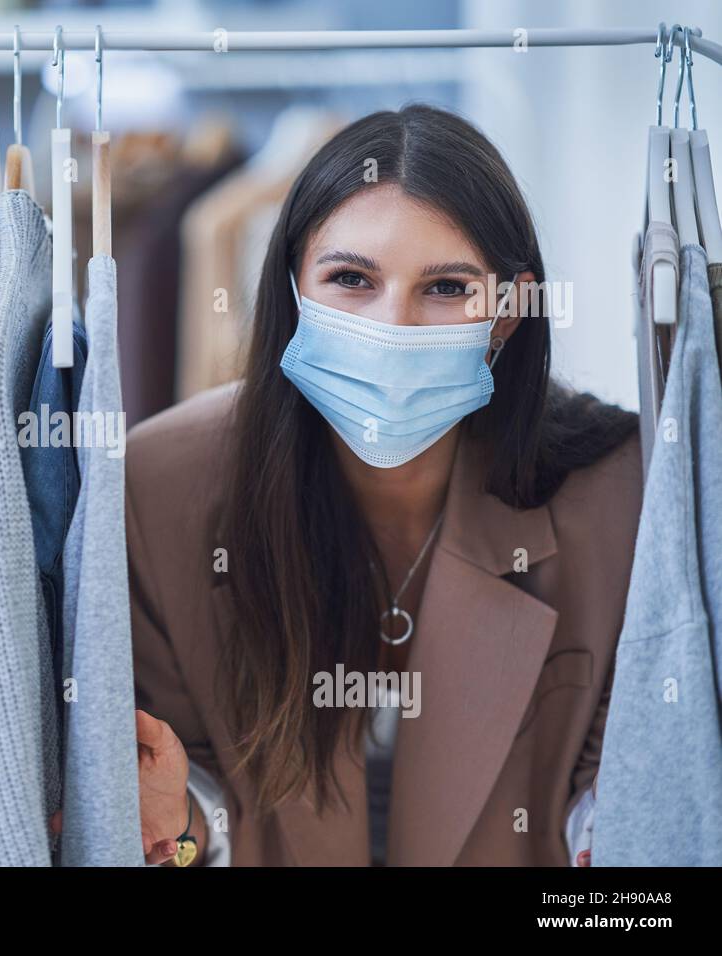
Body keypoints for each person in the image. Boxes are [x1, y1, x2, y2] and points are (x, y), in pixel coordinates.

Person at [130, 104, 642, 867]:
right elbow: (183, 827)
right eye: (350, 279)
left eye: (444, 288)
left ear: (506, 312)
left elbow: (628, 816)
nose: (394, 326)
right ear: (292, 288)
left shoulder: (618, 493)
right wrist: (175, 828)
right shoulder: (161, 487)